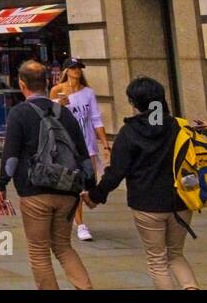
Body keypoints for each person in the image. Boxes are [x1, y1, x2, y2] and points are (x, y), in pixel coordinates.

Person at [82, 76, 200, 290]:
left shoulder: (129, 133)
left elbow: (116, 173)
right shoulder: (178, 127)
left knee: (157, 260)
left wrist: (95, 196)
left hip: (147, 205)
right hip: (180, 202)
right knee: (176, 255)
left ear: (135, 103)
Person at [0, 60, 96, 290]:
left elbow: (10, 157)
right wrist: (91, 187)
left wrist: (1, 186)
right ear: (47, 82)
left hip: (35, 190)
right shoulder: (64, 113)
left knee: (39, 251)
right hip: (68, 190)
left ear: (21, 84)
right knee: (63, 245)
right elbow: (83, 153)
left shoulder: (19, 113)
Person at [50, 59, 109, 241]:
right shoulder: (57, 90)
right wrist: (58, 105)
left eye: (79, 69)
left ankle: (71, 210)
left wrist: (105, 144)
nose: (77, 72)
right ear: (66, 71)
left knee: (89, 186)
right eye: (73, 68)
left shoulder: (88, 93)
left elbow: (95, 119)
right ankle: (80, 224)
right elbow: (50, 118)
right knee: (76, 185)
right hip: (68, 146)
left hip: (88, 146)